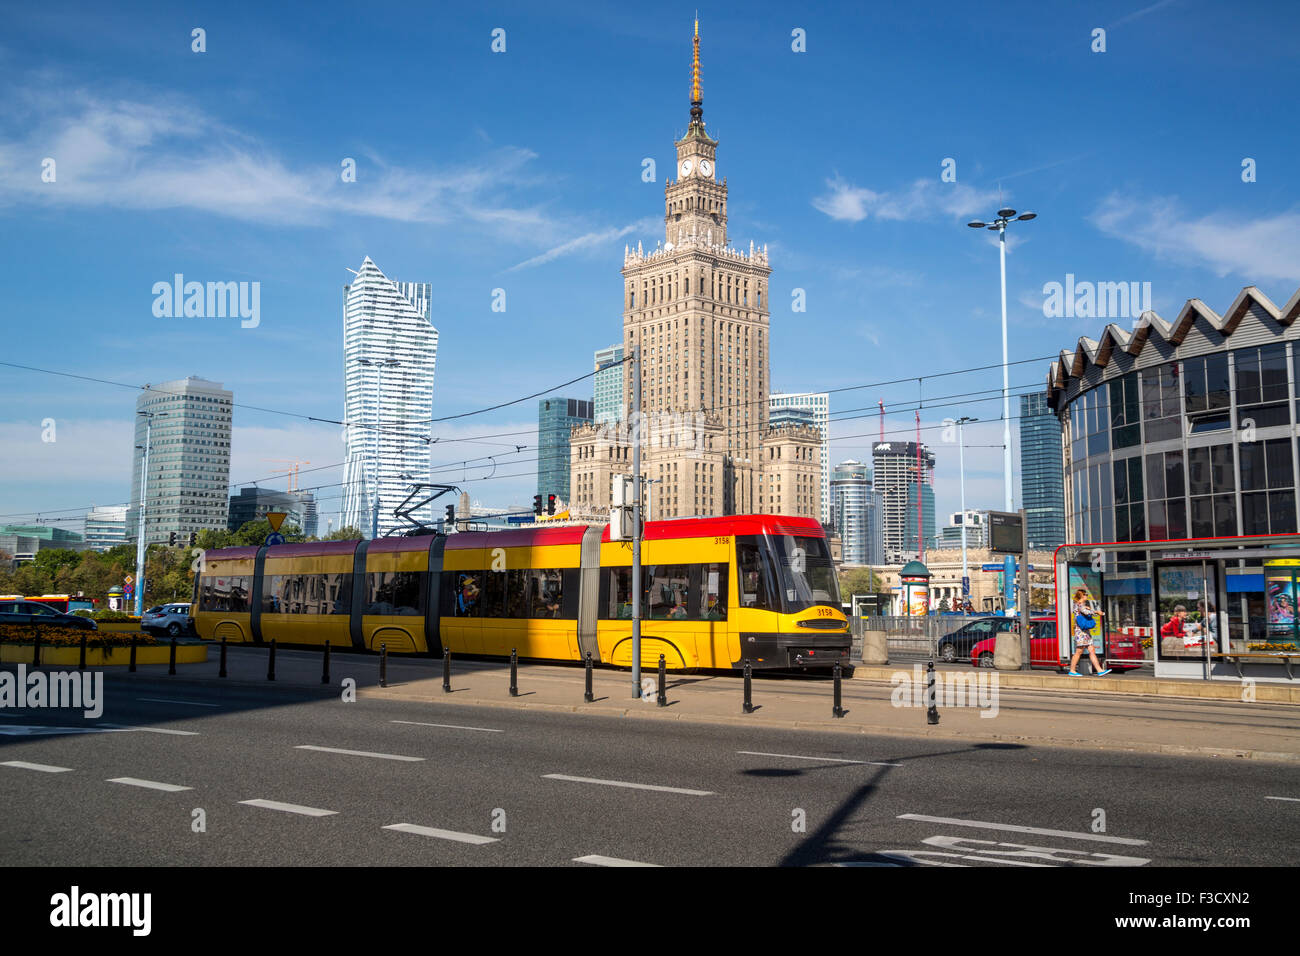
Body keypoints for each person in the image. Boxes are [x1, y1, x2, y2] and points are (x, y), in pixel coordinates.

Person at [1068, 587, 1111, 677]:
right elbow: (1086, 612)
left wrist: (1088, 608)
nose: (1087, 596)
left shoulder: (1080, 604)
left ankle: (1099, 670)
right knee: (1079, 651)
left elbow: (1085, 610)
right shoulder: (1079, 604)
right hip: (1080, 632)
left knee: (1091, 650)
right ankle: (1072, 670)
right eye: (1086, 594)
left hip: (1085, 632)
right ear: (1082, 595)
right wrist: (1096, 612)